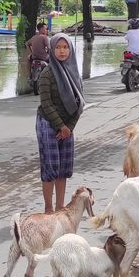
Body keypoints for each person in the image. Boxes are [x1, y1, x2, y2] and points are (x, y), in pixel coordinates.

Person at [36, 34, 84, 213]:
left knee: (63, 168)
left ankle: (60, 207)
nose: (62, 51)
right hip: (47, 123)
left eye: (65, 47)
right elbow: (46, 104)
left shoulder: (74, 73)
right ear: (52, 49)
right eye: (58, 47)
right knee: (50, 168)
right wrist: (61, 126)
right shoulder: (46, 74)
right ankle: (49, 209)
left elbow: (79, 104)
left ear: (70, 50)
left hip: (67, 126)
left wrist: (68, 127)